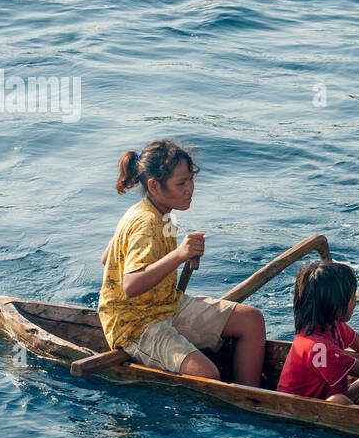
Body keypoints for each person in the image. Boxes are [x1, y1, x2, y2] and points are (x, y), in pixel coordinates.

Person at [98, 139, 266, 386]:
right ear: (154, 186)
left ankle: (253, 396)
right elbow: (131, 285)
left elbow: (107, 259)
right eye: (181, 183)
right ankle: (243, 400)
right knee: (208, 375)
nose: (190, 189)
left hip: (166, 304)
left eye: (190, 180)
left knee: (251, 320)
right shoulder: (145, 222)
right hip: (135, 324)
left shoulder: (159, 213)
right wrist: (179, 255)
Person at [275, 260, 359, 405]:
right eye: (352, 297)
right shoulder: (317, 347)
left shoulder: (333, 325)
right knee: (339, 401)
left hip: (328, 398)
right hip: (299, 409)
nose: (355, 302)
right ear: (334, 303)